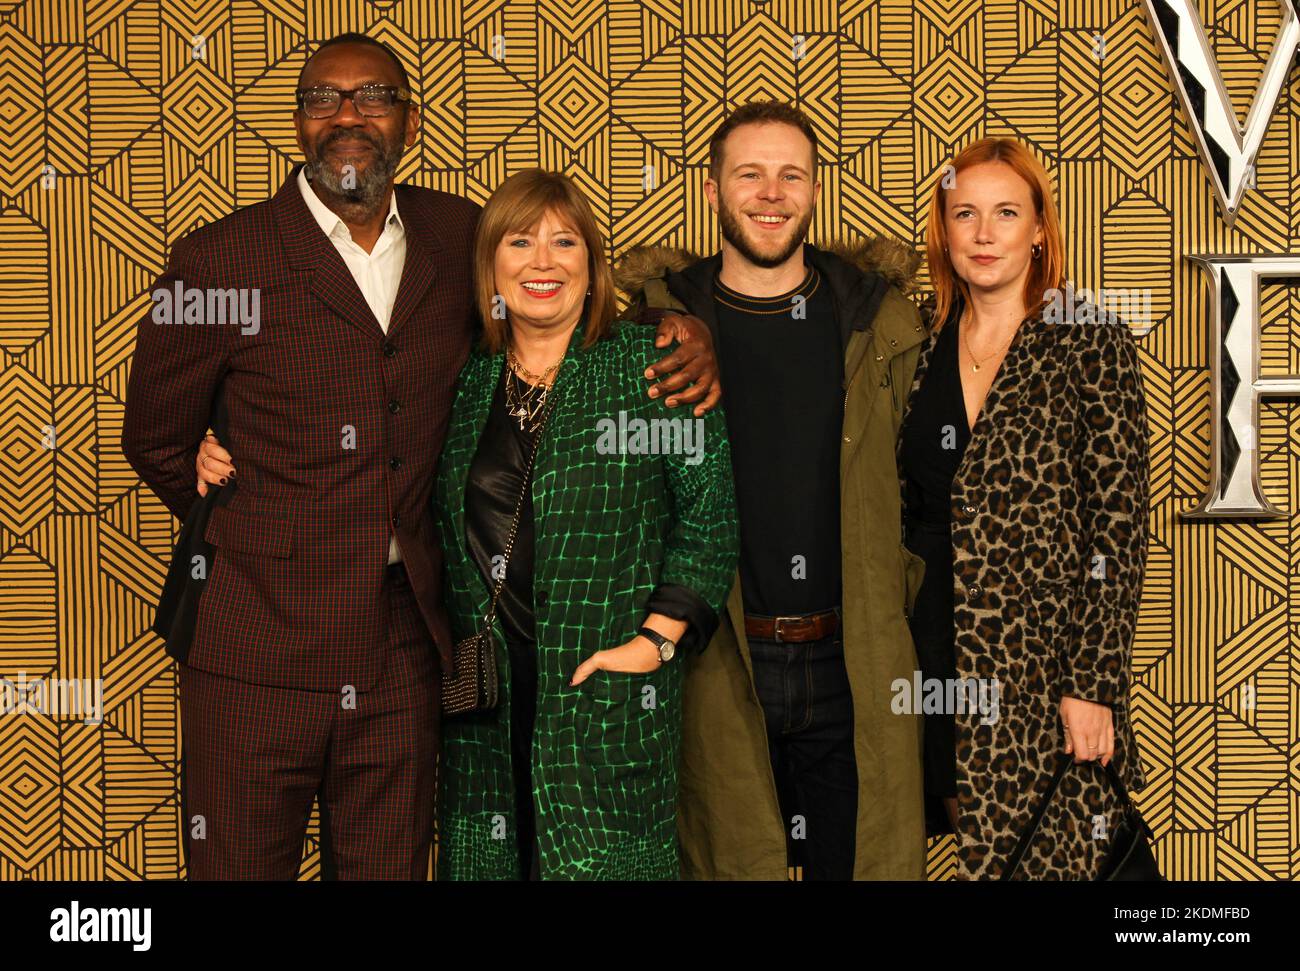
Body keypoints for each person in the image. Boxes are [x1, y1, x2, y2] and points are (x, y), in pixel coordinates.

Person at [129, 32, 717, 880]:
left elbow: (553, 292)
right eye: (323, 97)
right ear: (298, 122)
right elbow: (155, 434)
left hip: (407, 650)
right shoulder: (221, 258)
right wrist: (245, 511)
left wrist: (682, 327)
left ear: (409, 119)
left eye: (372, 96)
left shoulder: (457, 234)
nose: (347, 116)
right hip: (255, 648)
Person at [616, 101, 928, 880]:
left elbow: (929, 486)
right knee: (729, 862)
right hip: (717, 660)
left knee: (868, 861)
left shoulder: (879, 323)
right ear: (715, 189)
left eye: (792, 174)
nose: (771, 192)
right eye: (749, 173)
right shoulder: (657, 328)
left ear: (816, 190)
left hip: (852, 656)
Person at [427, 169, 737, 880]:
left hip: (603, 696)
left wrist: (654, 645)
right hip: (484, 710)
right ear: (491, 269)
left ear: (593, 268)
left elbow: (710, 520)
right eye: (521, 241)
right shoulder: (463, 377)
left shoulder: (651, 364)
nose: (544, 261)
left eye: (565, 241)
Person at [898, 137, 1149, 879]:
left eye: (1006, 213)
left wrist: (1093, 685)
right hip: (934, 647)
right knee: (982, 854)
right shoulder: (916, 342)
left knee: (1063, 854)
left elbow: (1120, 526)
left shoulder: (1088, 339)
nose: (983, 233)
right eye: (964, 213)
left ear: (1040, 228)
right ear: (943, 229)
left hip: (1045, 662)